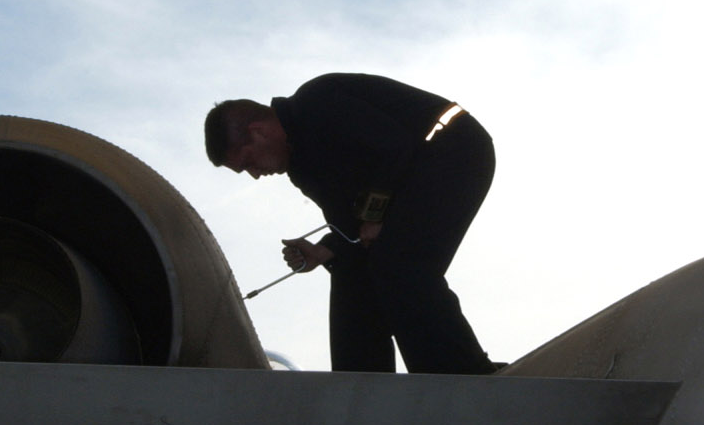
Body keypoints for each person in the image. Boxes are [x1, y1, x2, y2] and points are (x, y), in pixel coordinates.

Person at [205, 73, 500, 374]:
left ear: (259, 132)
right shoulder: (302, 169)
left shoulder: (317, 102)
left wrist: (374, 217)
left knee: (398, 264)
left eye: (249, 162)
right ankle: (362, 383)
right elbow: (351, 228)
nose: (255, 174)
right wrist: (326, 251)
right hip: (412, 179)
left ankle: (462, 373)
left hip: (452, 148)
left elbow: (394, 147)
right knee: (353, 273)